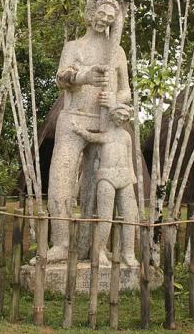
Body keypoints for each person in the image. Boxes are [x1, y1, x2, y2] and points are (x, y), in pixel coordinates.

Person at [47, 0, 131, 262]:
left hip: (105, 122)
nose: (104, 19)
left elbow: (125, 90)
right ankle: (60, 243)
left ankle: (94, 247)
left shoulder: (116, 52)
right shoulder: (74, 47)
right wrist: (84, 76)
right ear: (90, 14)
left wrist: (115, 100)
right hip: (73, 119)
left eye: (110, 16)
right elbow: (62, 78)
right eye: (101, 13)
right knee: (61, 178)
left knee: (97, 186)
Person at [72, 104, 139, 267]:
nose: (122, 119)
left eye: (125, 117)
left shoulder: (126, 137)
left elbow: (130, 160)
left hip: (125, 177)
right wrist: (79, 130)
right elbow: (90, 137)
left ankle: (128, 252)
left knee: (129, 217)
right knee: (105, 218)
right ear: (112, 115)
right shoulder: (105, 134)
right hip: (106, 177)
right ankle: (100, 250)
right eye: (120, 115)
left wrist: (132, 177)